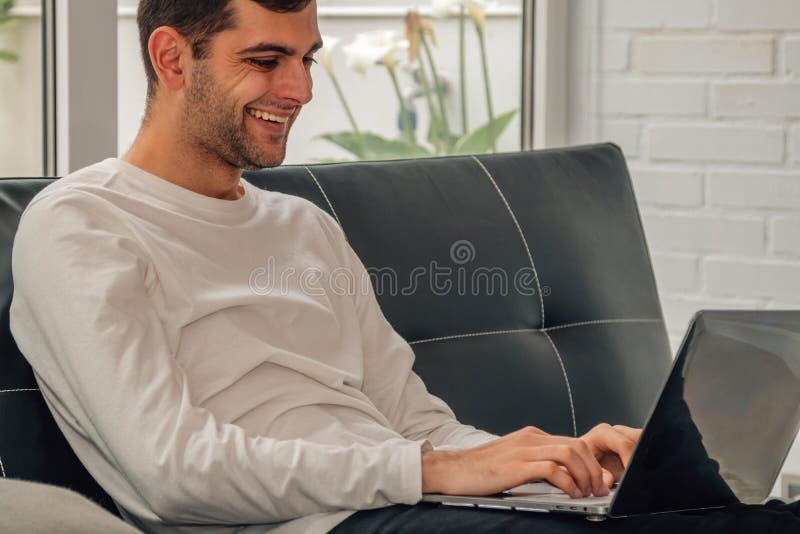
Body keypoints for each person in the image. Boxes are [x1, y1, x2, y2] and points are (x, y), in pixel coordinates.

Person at [9, 1, 799, 533]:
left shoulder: (301, 227)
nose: (299, 88)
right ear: (171, 58)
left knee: (734, 513)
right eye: (265, 59)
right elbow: (172, 471)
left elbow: (416, 425)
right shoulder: (83, 225)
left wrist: (546, 466)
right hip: (316, 525)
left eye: (307, 59)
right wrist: (435, 471)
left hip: (400, 505)